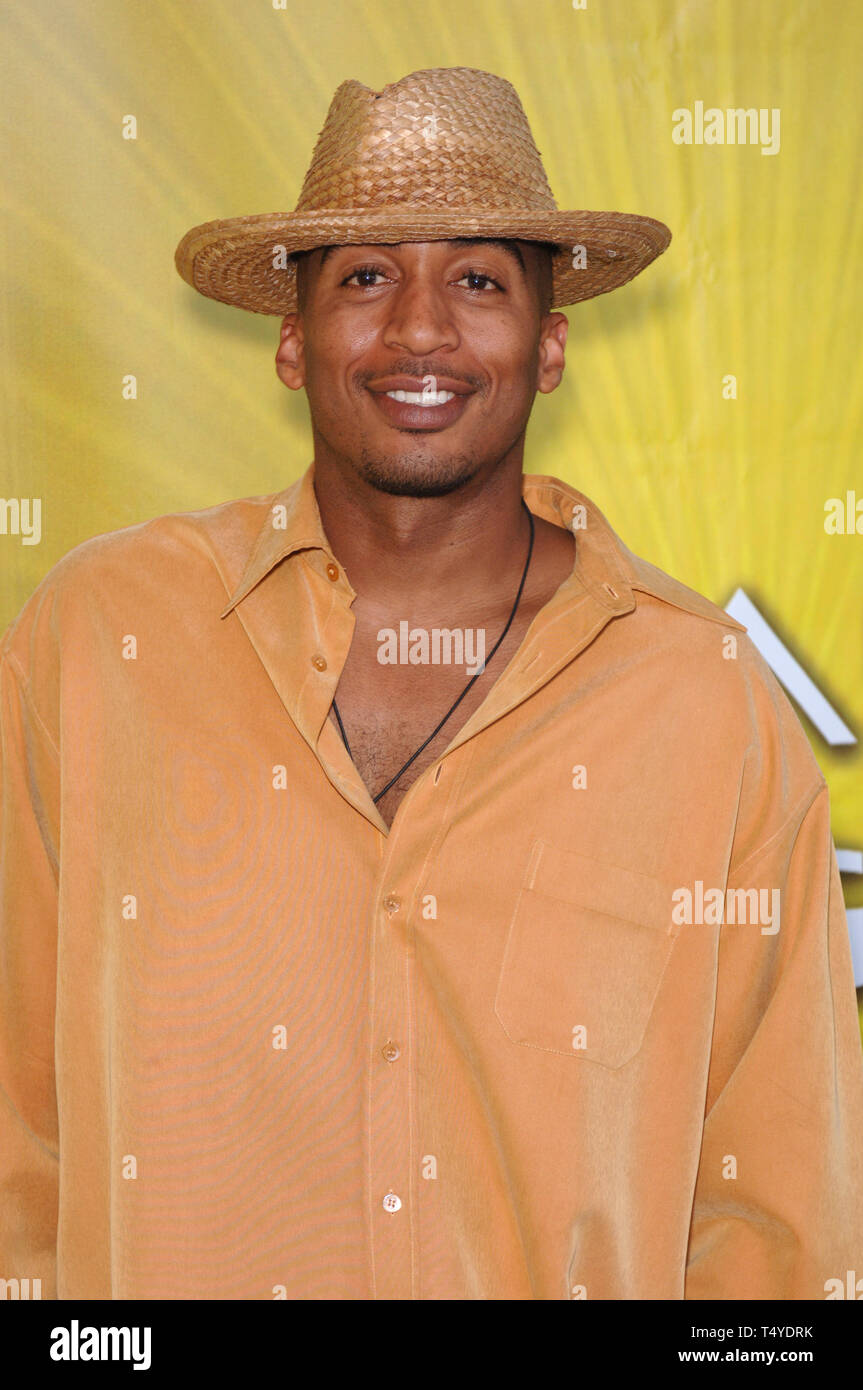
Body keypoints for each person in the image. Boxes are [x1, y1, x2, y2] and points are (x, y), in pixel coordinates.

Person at [1, 65, 861, 1302]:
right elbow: (17, 1126)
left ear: (548, 344)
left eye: (475, 279)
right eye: (363, 275)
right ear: (292, 342)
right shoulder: (96, 639)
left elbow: (775, 1221)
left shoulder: (705, 704)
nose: (417, 329)